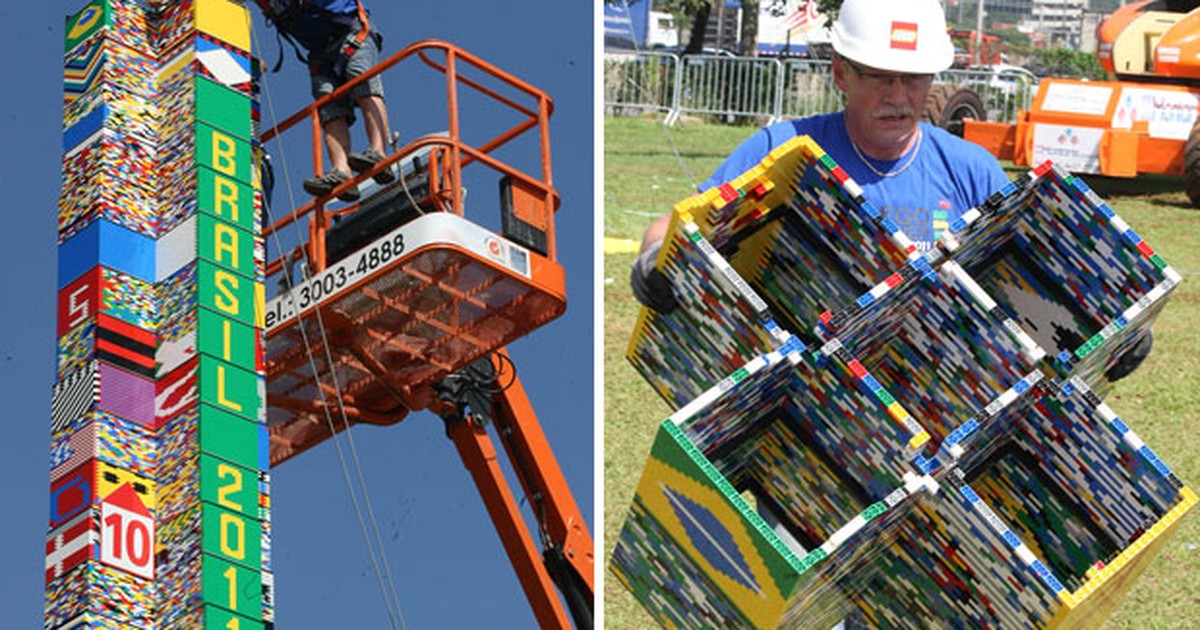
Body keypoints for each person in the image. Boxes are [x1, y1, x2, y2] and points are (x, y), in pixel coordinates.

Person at [630, 0, 1151, 375]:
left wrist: (1110, 330)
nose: (899, 96)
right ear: (841, 73)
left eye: (915, 78)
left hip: (937, 407)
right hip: (813, 402)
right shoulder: (783, 150)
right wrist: (656, 256)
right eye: (880, 77)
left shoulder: (971, 170)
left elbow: (1027, 283)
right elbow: (676, 227)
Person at [257, 0, 395, 202]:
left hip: (351, 32)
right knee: (328, 108)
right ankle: (341, 171)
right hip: (320, 53)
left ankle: (379, 152)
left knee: (363, 84)